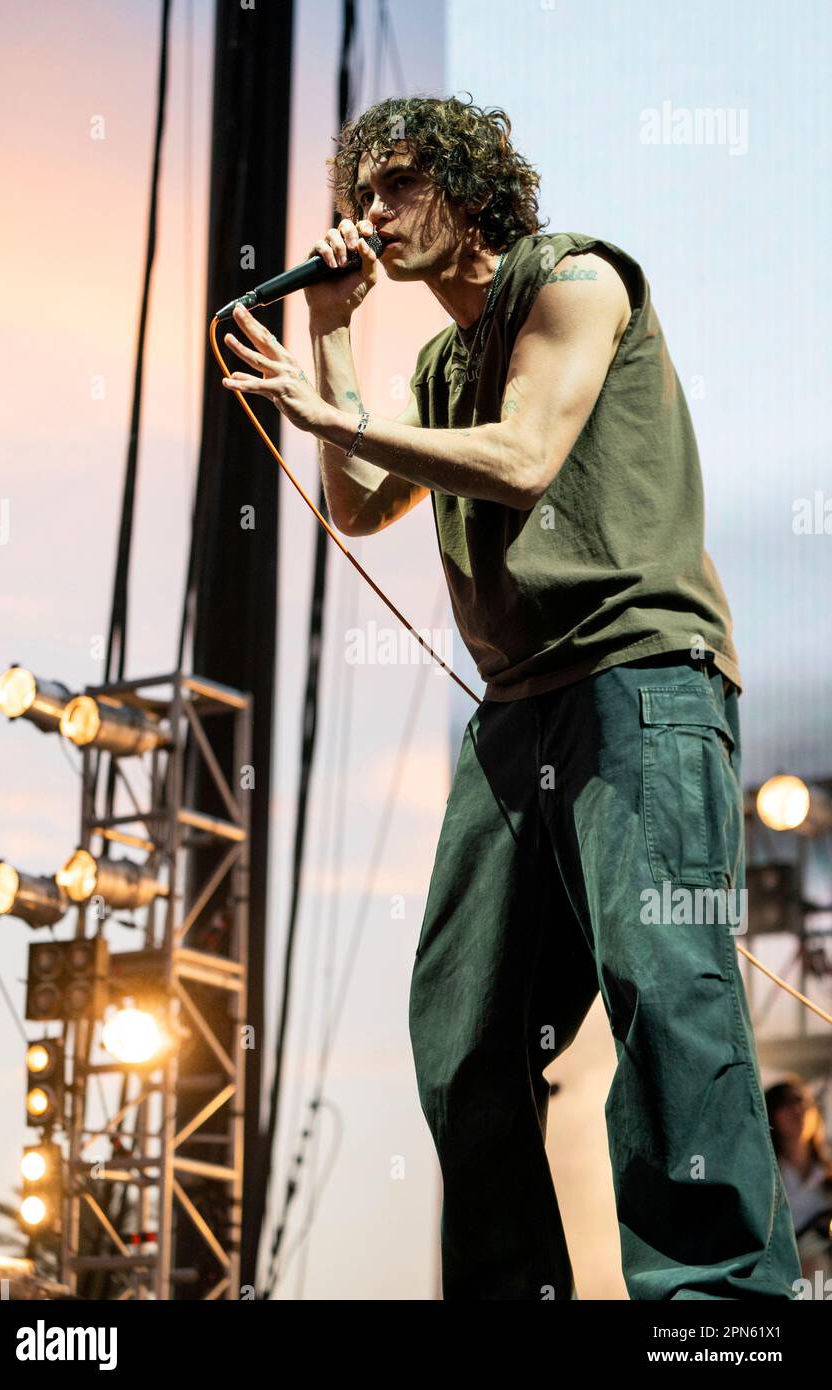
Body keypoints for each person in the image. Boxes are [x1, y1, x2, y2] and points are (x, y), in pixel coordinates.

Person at [220, 94, 803, 1300]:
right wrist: (331, 335)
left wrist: (335, 409)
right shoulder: (435, 362)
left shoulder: (574, 280)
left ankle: (717, 1308)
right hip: (517, 711)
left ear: (467, 185)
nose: (369, 214)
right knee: (467, 1034)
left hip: (637, 680)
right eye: (360, 193)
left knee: (664, 991)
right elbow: (364, 496)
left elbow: (526, 453)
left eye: (394, 187)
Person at [766, 1075, 832, 1282]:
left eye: (803, 1101)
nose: (798, 1110)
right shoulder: (766, 1178)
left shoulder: (827, 1175)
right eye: (787, 1103)